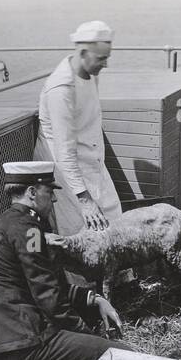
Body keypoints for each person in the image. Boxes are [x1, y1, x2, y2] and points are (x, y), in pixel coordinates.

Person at [0, 161, 131, 360]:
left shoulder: (14, 223)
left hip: (6, 339)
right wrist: (87, 334)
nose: (55, 198)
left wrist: (95, 299)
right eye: (49, 191)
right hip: (21, 342)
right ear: (32, 193)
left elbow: (46, 284)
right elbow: (49, 297)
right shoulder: (29, 230)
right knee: (117, 354)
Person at [36, 20, 125, 236]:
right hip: (65, 175)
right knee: (81, 236)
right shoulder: (62, 88)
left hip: (92, 163)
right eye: (101, 59)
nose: (105, 65)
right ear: (83, 53)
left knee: (116, 225)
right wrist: (85, 201)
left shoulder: (90, 75)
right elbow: (64, 153)